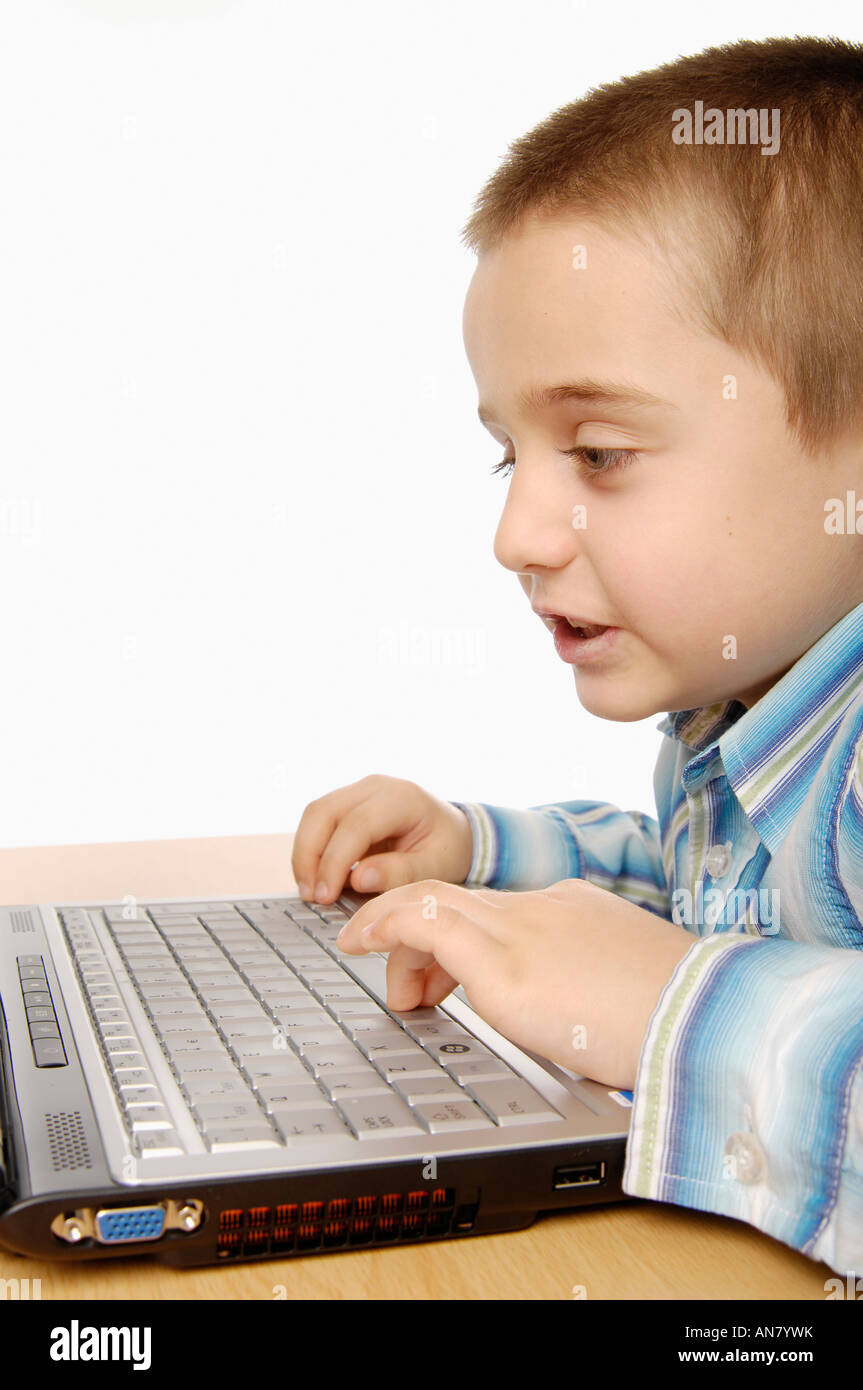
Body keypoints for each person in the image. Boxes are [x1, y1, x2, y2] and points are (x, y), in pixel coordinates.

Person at [292, 36, 863, 1277]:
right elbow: (708, 884)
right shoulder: (747, 713)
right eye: (511, 455)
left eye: (598, 453)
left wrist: (670, 1006)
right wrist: (483, 853)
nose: (516, 536)